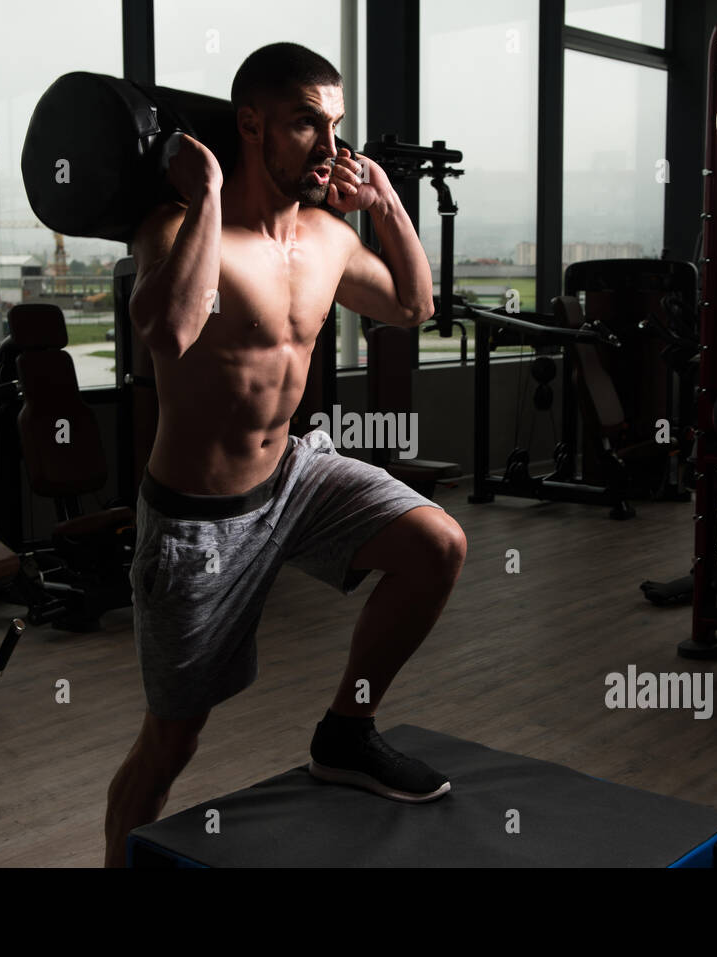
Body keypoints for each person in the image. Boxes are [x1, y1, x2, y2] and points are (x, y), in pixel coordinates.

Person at [103, 42, 466, 867]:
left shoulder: (328, 238)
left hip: (294, 476)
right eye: (307, 122)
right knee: (170, 744)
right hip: (199, 522)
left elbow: (414, 304)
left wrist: (384, 204)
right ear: (251, 124)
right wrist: (205, 198)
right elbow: (170, 329)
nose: (330, 147)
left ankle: (346, 729)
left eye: (336, 126)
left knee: (437, 543)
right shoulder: (179, 229)